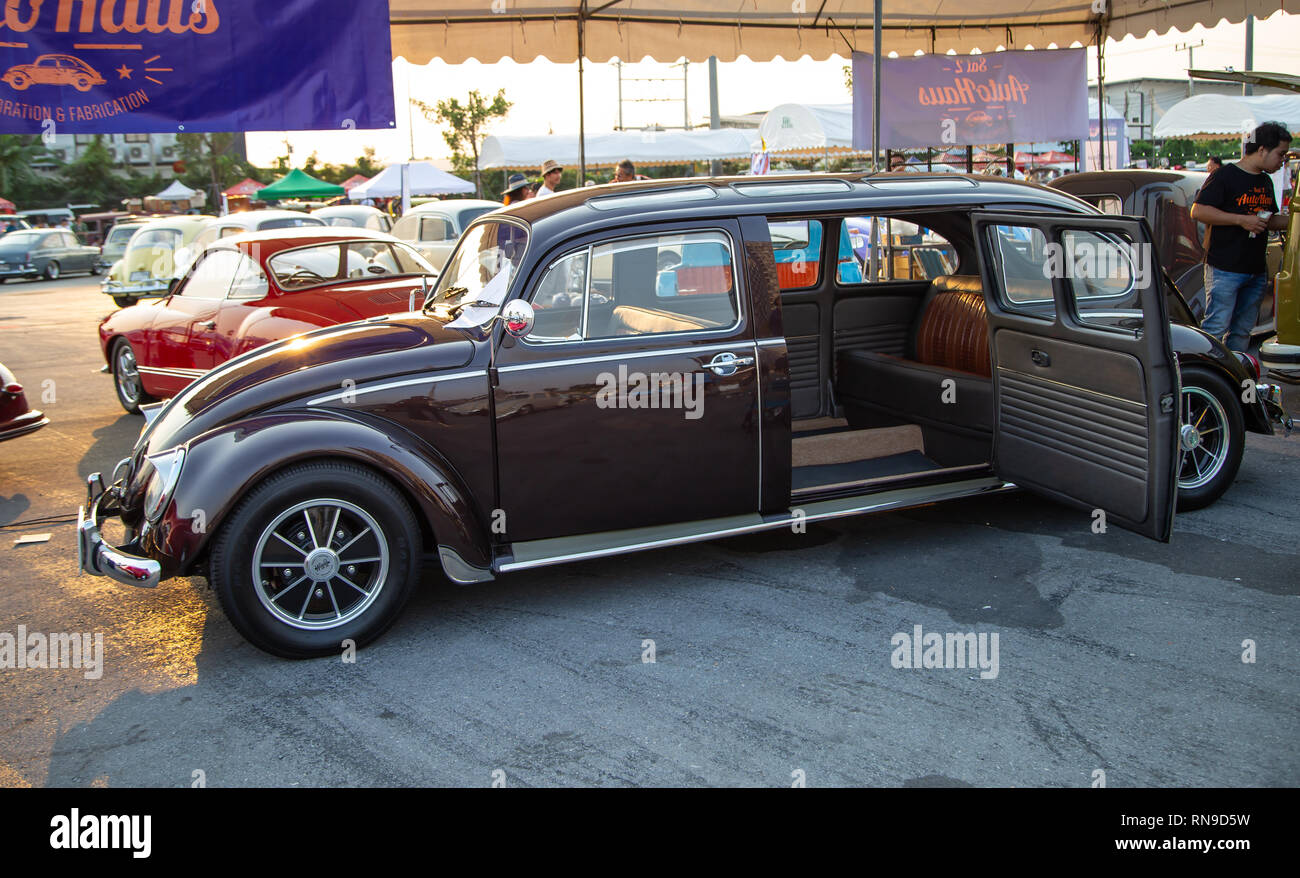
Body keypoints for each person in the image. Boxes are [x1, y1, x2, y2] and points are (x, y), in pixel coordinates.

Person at [1190, 121, 1292, 351]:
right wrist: (1241, 220)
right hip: (1225, 269)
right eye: (1281, 154)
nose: (1282, 161)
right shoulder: (1225, 175)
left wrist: (1293, 219)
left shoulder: (1265, 181)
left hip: (1255, 270)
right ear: (1263, 149)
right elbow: (1198, 211)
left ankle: (1236, 382)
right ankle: (1208, 381)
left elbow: (1270, 219)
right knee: (1216, 328)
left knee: (1242, 332)